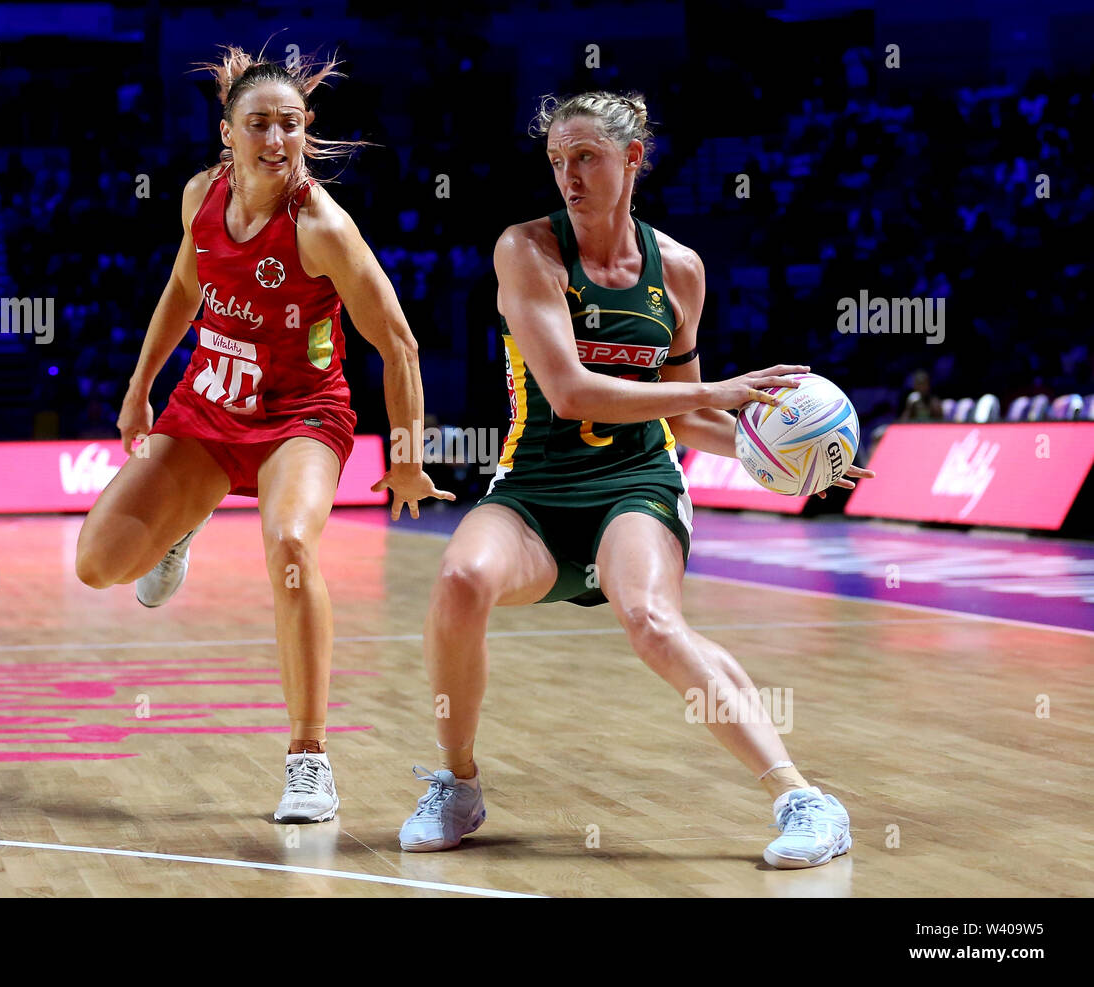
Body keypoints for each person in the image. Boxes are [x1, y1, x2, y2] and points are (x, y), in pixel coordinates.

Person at [398, 91, 872, 868]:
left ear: (632, 158)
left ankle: (804, 799)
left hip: (636, 480)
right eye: (557, 159)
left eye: (584, 156)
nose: (568, 175)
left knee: (651, 620)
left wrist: (782, 460)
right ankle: (457, 782)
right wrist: (708, 392)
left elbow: (685, 422)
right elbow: (571, 393)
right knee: (459, 578)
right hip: (534, 485)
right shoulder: (525, 250)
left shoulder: (679, 270)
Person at [75, 46, 451, 823]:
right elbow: (185, 287)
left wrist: (409, 459)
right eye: (259, 124)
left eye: (289, 124)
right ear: (228, 133)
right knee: (97, 565)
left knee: (289, 543)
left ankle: (309, 757)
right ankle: (182, 526)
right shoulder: (200, 198)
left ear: (306, 130)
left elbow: (400, 344)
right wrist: (141, 385)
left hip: (301, 416)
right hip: (209, 405)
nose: (275, 139)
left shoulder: (322, 227)